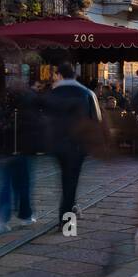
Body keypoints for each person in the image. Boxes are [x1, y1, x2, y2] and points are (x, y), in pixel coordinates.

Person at [44, 62, 102, 221]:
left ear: (59, 75)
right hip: (78, 144)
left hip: (56, 143)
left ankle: (70, 208)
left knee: (66, 178)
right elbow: (96, 120)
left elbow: (44, 119)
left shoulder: (51, 94)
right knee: (71, 180)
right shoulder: (87, 93)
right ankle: (67, 222)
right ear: (74, 75)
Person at [0, 80, 41, 233]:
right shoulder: (30, 110)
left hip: (5, 151)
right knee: (24, 184)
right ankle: (25, 215)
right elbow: (36, 131)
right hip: (23, 150)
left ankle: (2, 219)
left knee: (5, 185)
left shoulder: (2, 108)